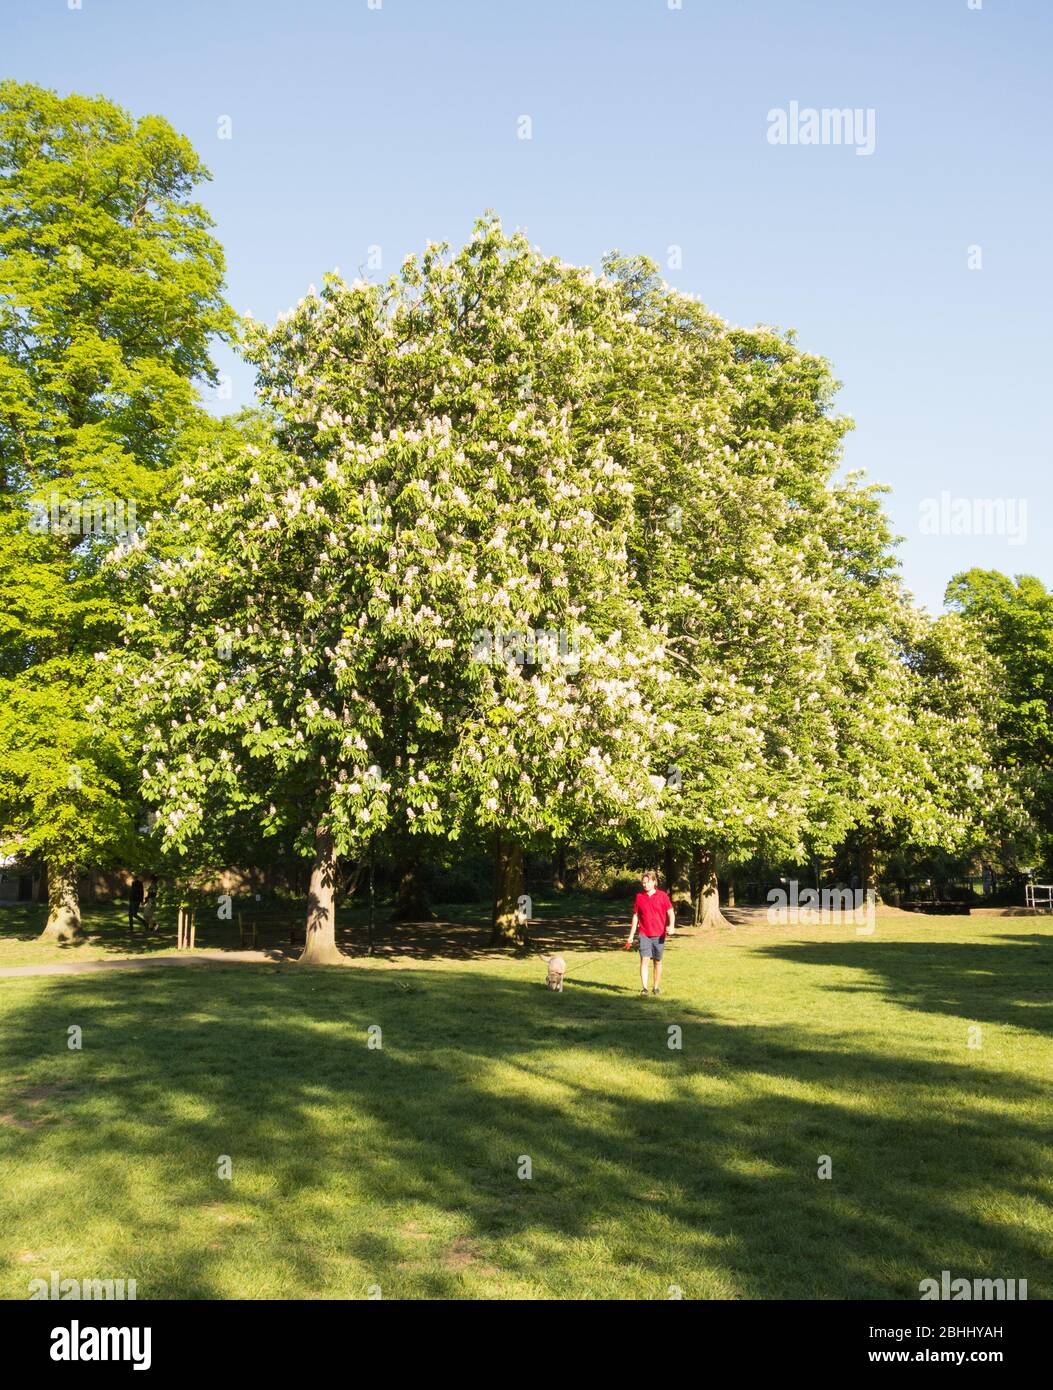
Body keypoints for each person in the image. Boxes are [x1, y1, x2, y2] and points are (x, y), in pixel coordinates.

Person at [626, 870, 675, 996]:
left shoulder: (663, 896)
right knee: (644, 960)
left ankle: (656, 987)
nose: (645, 885)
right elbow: (636, 916)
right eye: (643, 883)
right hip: (644, 934)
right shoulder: (639, 897)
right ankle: (644, 988)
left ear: (654, 882)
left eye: (647, 882)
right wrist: (631, 935)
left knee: (657, 961)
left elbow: (670, 912)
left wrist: (672, 926)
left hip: (659, 935)